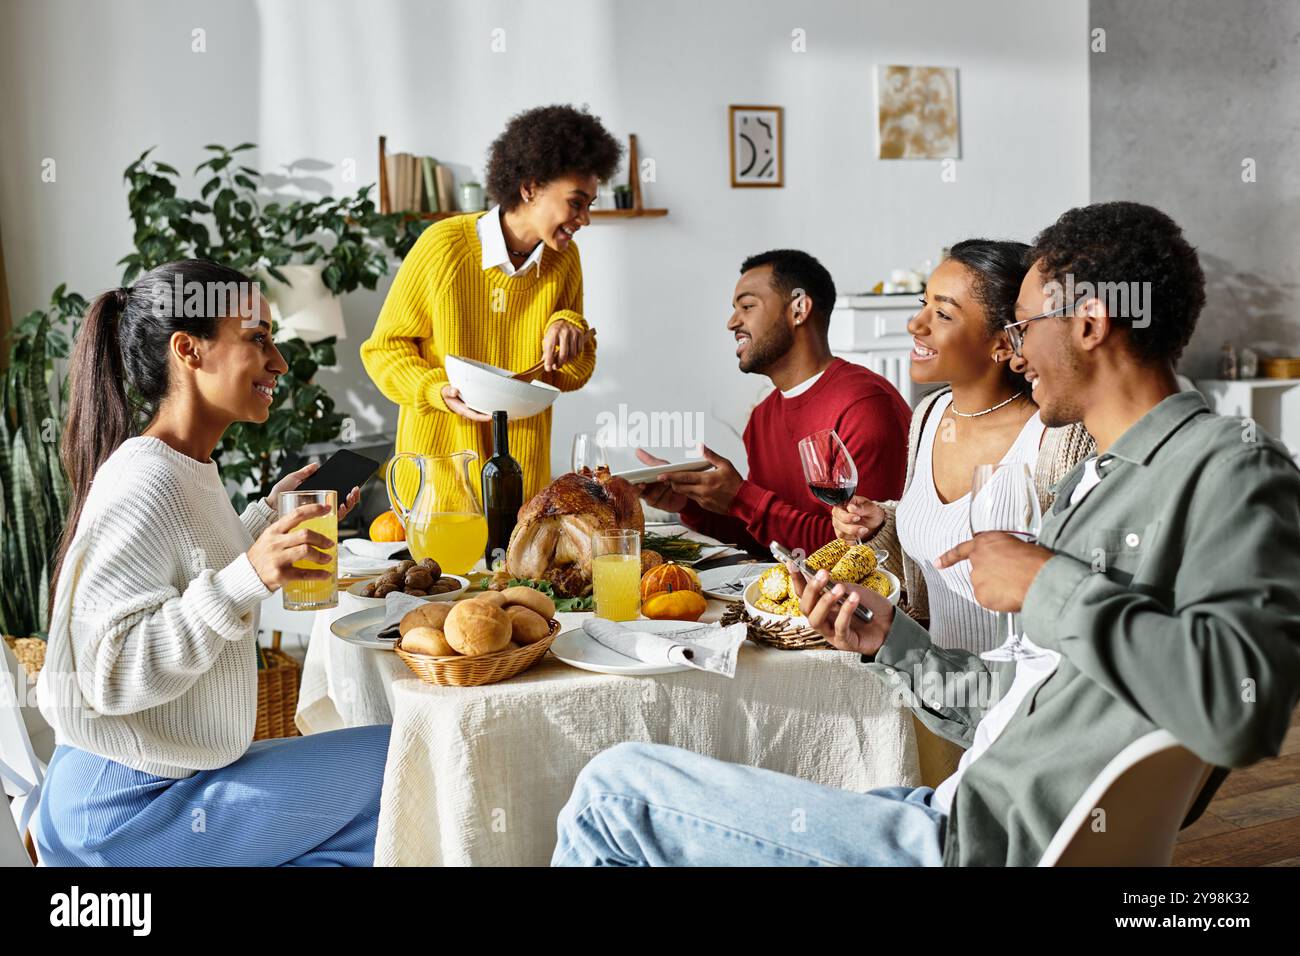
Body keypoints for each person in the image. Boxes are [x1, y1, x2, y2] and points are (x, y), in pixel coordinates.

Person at [551, 202, 1300, 866]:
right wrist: (892, 643)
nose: (1016, 348)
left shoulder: (1229, 468)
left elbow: (1243, 709)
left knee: (611, 793)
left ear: (1090, 326)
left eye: (1025, 326)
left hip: (972, 844)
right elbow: (1022, 698)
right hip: (948, 811)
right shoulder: (1095, 482)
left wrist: (1045, 584)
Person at [35, 260, 391, 866]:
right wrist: (246, 576)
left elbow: (182, 568)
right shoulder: (143, 480)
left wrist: (262, 522)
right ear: (188, 351)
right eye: (257, 339)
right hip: (124, 810)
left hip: (164, 777)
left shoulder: (185, 466)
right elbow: (107, 671)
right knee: (415, 762)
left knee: (388, 798)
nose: (279, 362)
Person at [830, 240, 1093, 654]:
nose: (916, 324)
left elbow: (1078, 589)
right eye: (923, 303)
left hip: (1021, 696)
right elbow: (934, 561)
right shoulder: (930, 414)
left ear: (1004, 344)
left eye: (943, 313)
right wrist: (880, 525)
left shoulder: (1058, 437)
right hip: (935, 683)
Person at [362, 104, 622, 503]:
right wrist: (435, 389)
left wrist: (570, 331)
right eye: (576, 202)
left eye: (590, 204)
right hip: (439, 478)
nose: (585, 218)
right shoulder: (443, 246)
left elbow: (572, 375)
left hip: (521, 481)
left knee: (516, 568)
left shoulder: (564, 259)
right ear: (530, 187)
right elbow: (383, 350)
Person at [636, 249, 910, 557]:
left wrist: (742, 499)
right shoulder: (762, 417)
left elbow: (861, 549)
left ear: (798, 310)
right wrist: (692, 504)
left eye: (748, 306)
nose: (732, 322)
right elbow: (768, 541)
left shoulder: (865, 406)